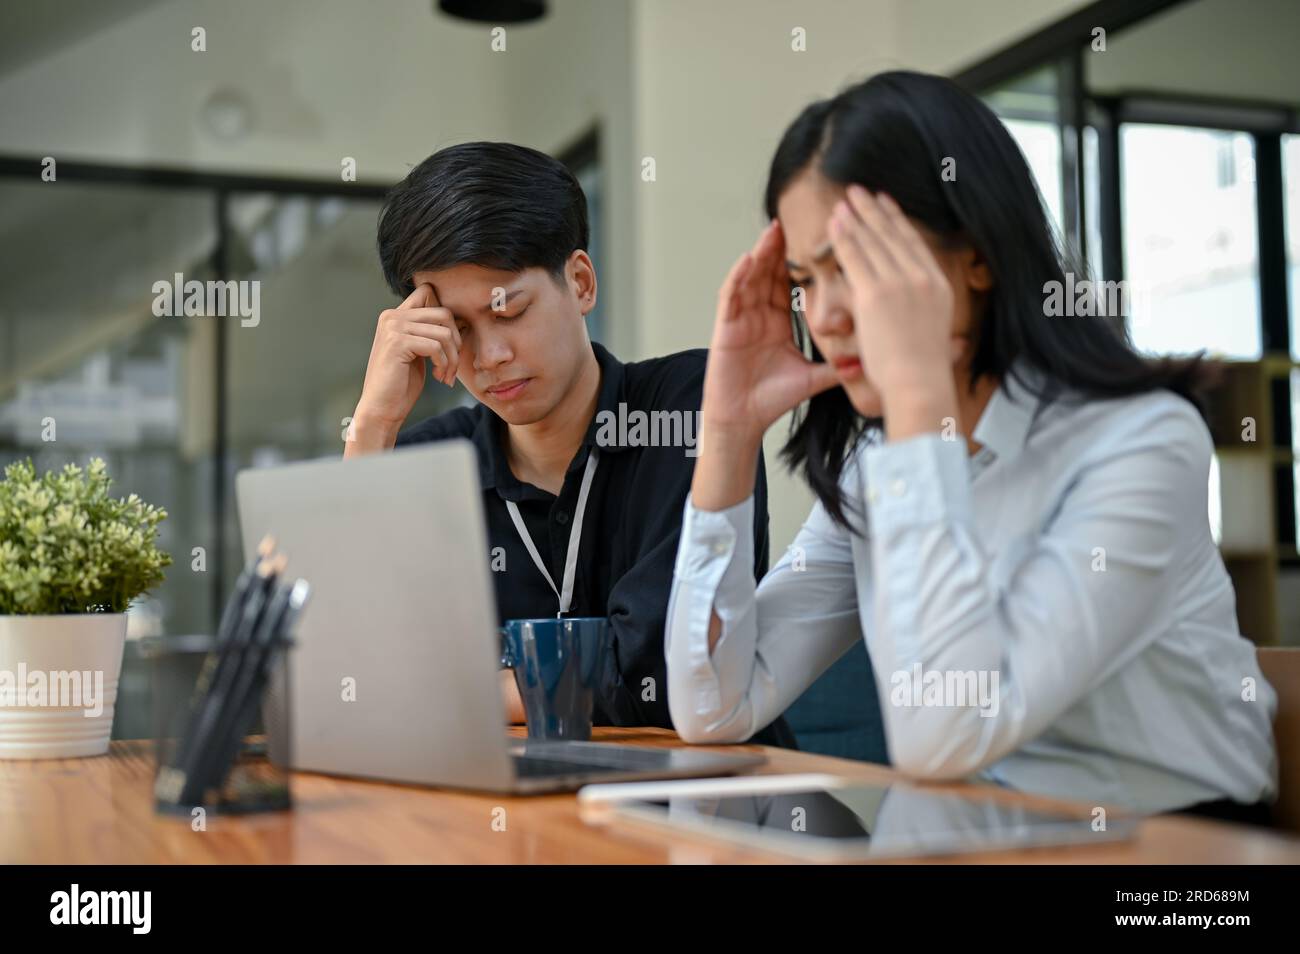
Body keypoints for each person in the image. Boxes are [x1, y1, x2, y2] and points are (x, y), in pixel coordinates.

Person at [665, 71, 1277, 817]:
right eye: (804, 279)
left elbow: (940, 735)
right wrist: (727, 434)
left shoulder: (1144, 441)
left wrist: (918, 396)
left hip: (1176, 850)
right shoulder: (877, 464)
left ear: (977, 254)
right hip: (985, 829)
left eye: (855, 266)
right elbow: (712, 707)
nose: (824, 314)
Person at [346, 141, 794, 746]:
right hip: (502, 815)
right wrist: (373, 424)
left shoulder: (688, 407)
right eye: (457, 328)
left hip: (705, 801)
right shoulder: (429, 461)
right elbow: (348, 674)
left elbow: (660, 674)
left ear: (580, 282)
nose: (490, 357)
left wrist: (453, 687)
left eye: (508, 311)